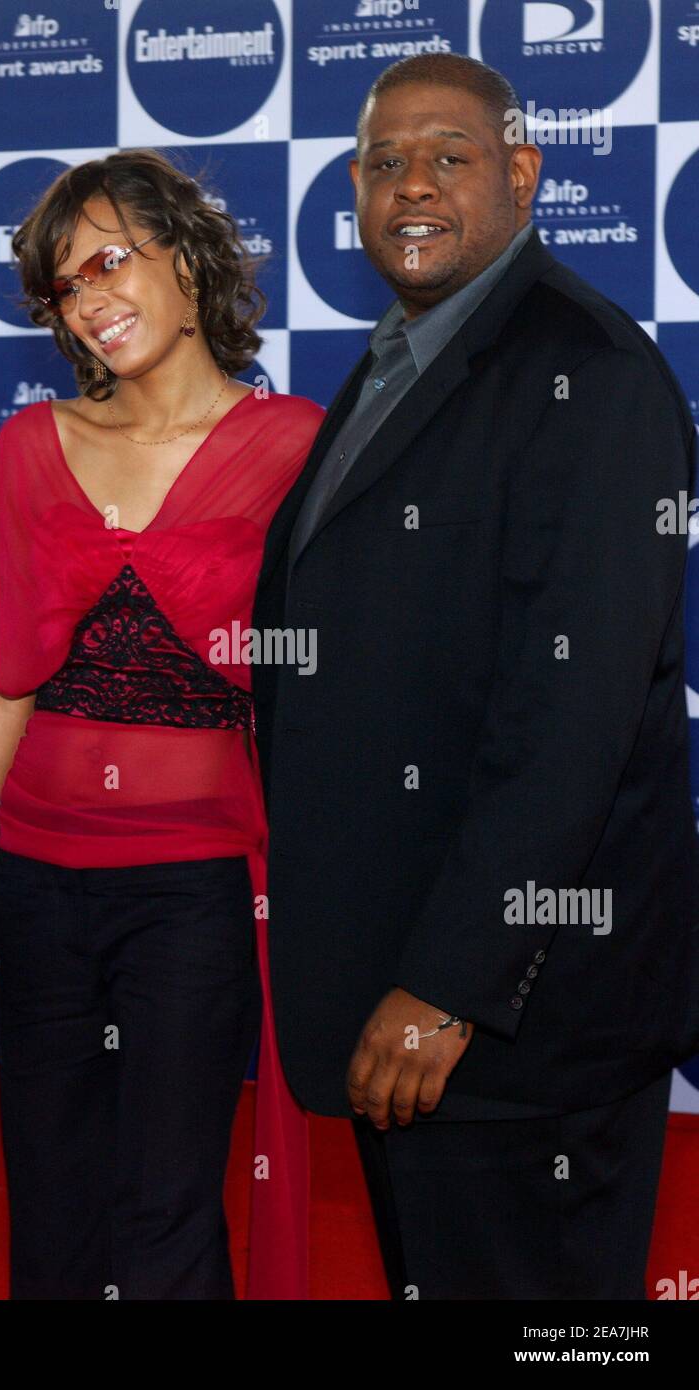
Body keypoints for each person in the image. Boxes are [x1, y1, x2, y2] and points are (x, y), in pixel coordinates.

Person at [252, 53, 699, 1300]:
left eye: (448, 155)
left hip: (516, 1030)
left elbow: (571, 722)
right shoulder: (398, 359)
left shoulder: (589, 374)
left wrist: (446, 986)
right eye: (383, 160)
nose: (410, 184)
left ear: (520, 172)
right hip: (409, 1009)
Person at [0, 150, 323, 1300]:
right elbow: (4, 681)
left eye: (107, 259)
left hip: (198, 886)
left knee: (166, 1197)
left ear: (189, 266)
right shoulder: (33, 448)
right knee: (48, 1189)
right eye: (61, 285)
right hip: (39, 875)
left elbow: (331, 695)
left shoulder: (298, 449)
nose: (88, 297)